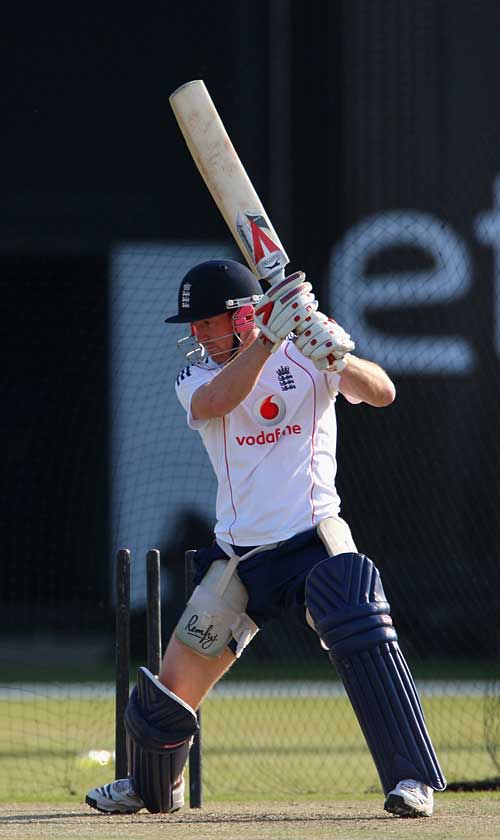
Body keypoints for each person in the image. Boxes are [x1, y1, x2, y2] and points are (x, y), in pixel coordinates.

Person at [86, 259, 445, 818]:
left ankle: (412, 780)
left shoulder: (306, 355)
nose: (197, 334)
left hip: (313, 540)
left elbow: (383, 393)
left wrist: (340, 358)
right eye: (194, 324)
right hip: (240, 557)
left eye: (207, 321)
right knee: (167, 694)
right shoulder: (197, 375)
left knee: (356, 612)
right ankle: (153, 785)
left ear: (243, 315)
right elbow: (217, 402)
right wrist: (269, 341)